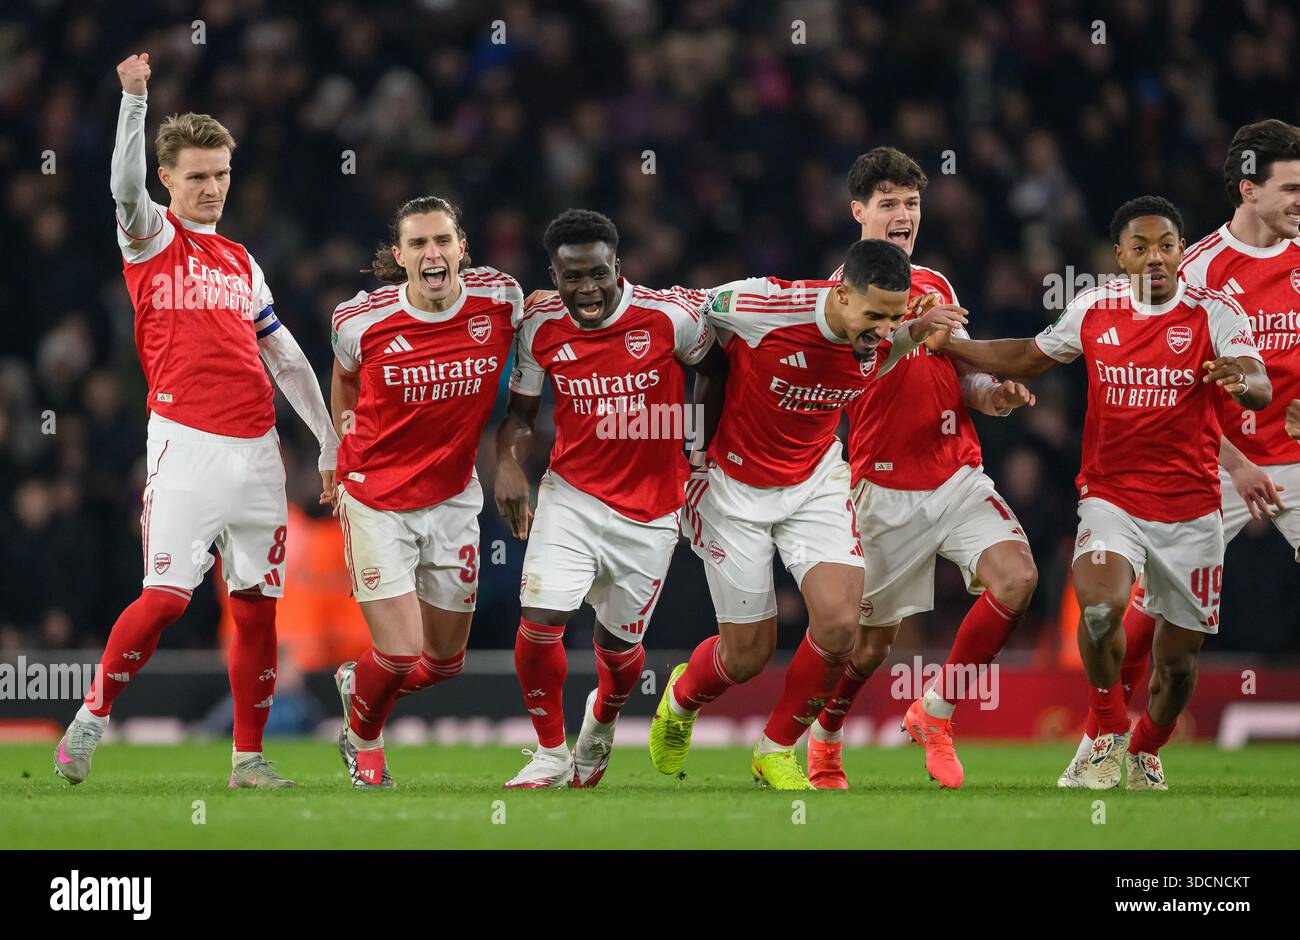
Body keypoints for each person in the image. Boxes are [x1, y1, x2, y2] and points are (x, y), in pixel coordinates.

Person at [55, 53, 339, 789]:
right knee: (163, 601)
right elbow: (121, 186)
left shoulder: (243, 262)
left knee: (256, 611)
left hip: (259, 454)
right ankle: (91, 718)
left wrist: (330, 438)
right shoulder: (149, 237)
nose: (212, 189)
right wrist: (134, 99)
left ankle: (247, 759)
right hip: (186, 445)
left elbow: (287, 360)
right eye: (197, 177)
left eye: (221, 175)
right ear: (169, 181)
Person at [944, 196, 1270, 790]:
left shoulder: (1214, 314)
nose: (1154, 258)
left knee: (1176, 670)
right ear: (1120, 256)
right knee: (1097, 612)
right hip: (1111, 498)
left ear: (1180, 251)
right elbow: (1027, 357)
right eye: (1140, 248)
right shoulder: (1094, 309)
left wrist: (1240, 380)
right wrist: (954, 348)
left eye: (1166, 246)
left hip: (1194, 509)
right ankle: (1105, 732)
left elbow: (1259, 384)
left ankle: (1146, 747)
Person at [650, 238, 967, 789]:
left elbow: (892, 345)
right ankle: (679, 702)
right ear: (840, 295)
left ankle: (775, 749)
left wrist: (917, 328)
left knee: (842, 626)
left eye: (894, 318)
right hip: (732, 488)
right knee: (747, 655)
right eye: (873, 316)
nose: (881, 332)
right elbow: (682, 305)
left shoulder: (882, 335)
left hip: (815, 483)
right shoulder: (764, 305)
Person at [1059, 121, 1300, 784]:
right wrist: (1237, 461)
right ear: (1249, 189)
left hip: (1296, 459)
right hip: (1214, 463)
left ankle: (1143, 745)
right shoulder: (1191, 269)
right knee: (1150, 617)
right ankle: (1106, 737)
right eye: (1292, 189)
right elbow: (1165, 397)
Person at [808, 147, 1038, 789]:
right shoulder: (840, 292)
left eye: (911, 202)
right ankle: (825, 739)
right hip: (883, 487)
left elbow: (956, 371)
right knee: (870, 646)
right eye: (889, 204)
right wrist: (915, 331)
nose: (904, 214)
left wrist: (994, 392)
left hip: (957, 474)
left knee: (1017, 579)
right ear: (859, 212)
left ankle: (936, 712)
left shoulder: (935, 284)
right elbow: (856, 374)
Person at [494, 209, 724, 788]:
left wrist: (699, 450)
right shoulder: (539, 323)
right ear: (554, 272)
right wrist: (507, 463)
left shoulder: (669, 317)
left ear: (617, 266)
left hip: (652, 512)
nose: (586, 288)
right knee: (541, 617)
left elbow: (715, 369)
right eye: (571, 276)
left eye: (598, 273)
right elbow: (520, 415)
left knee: (619, 654)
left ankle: (602, 720)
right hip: (571, 496)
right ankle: (549, 751)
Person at [329, 196, 523, 788]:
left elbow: (542, 354)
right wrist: (339, 450)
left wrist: (509, 455)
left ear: (462, 248)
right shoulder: (360, 321)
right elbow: (343, 378)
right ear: (400, 255)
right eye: (418, 244)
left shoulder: (501, 300)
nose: (432, 253)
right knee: (401, 651)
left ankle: (356, 684)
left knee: (442, 664)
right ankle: (364, 740)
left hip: (453, 497)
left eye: (442, 241)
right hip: (376, 498)